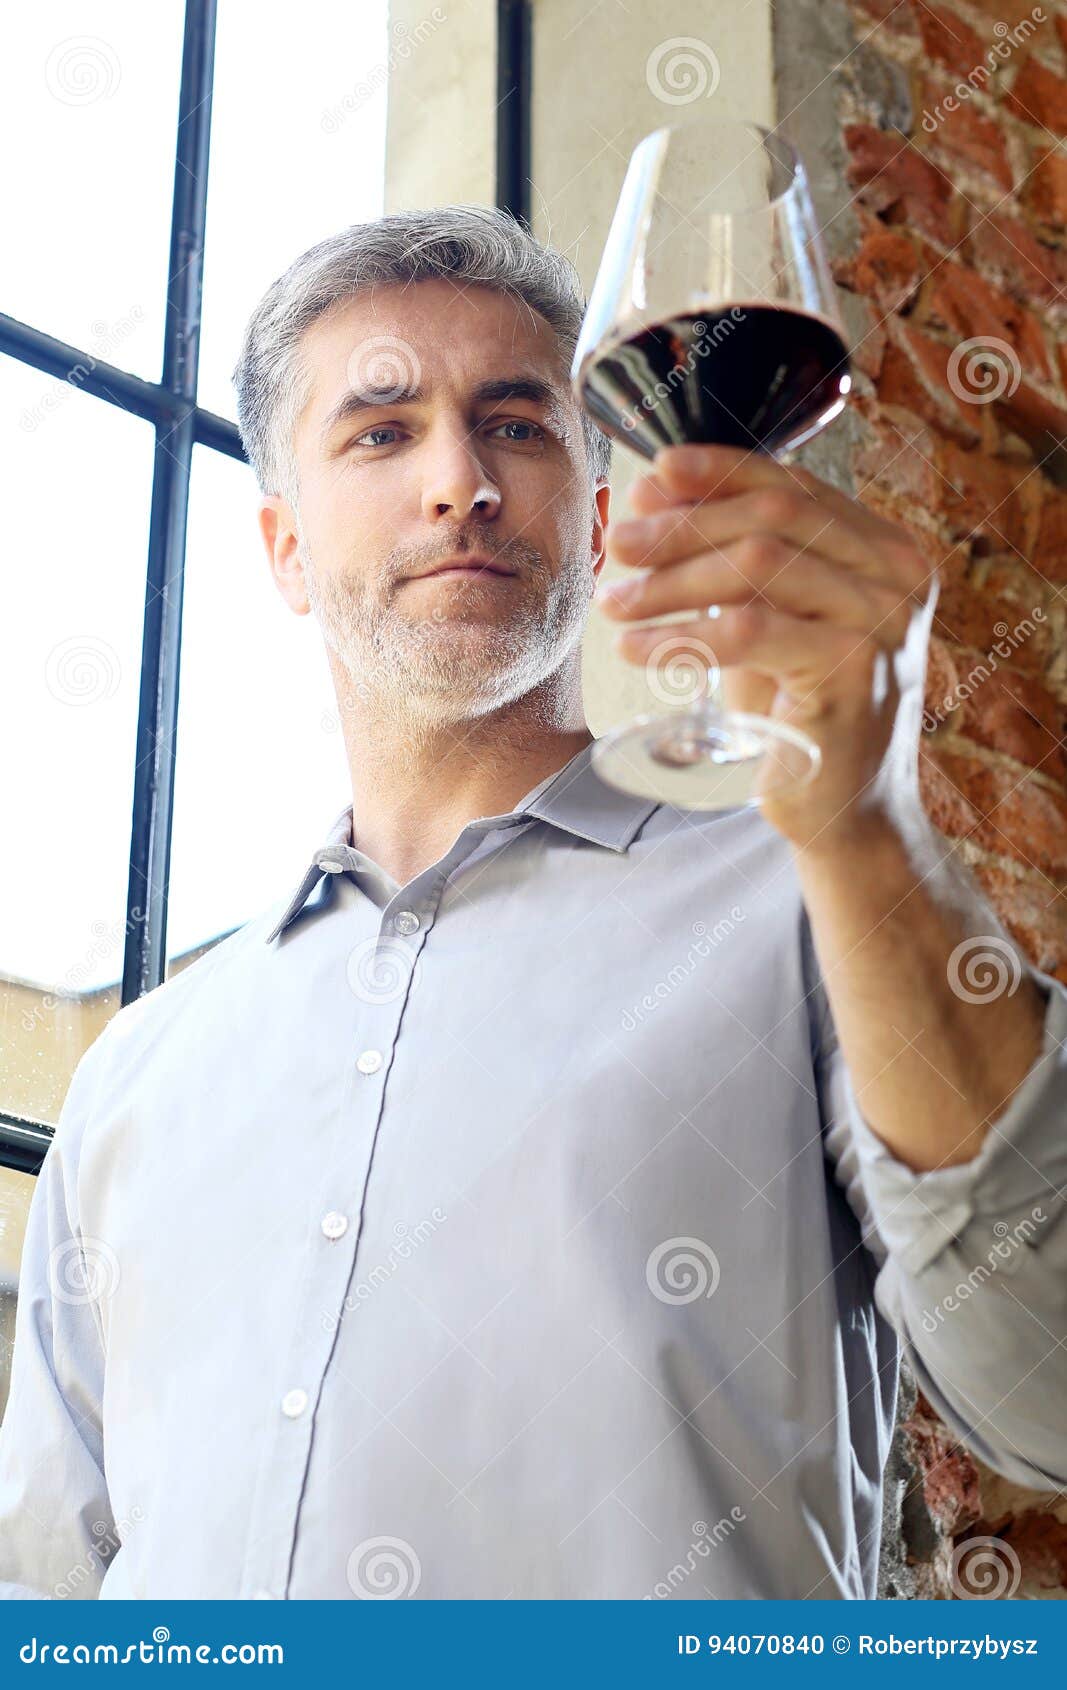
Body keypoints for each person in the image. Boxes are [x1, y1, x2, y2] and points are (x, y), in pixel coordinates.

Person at [1, 206, 1064, 1601]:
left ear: (603, 514)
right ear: (281, 547)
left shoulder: (821, 899)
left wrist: (868, 828)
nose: (460, 480)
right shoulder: (135, 1074)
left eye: (515, 423)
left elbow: (1047, 1378)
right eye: (380, 432)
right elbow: (44, 1593)